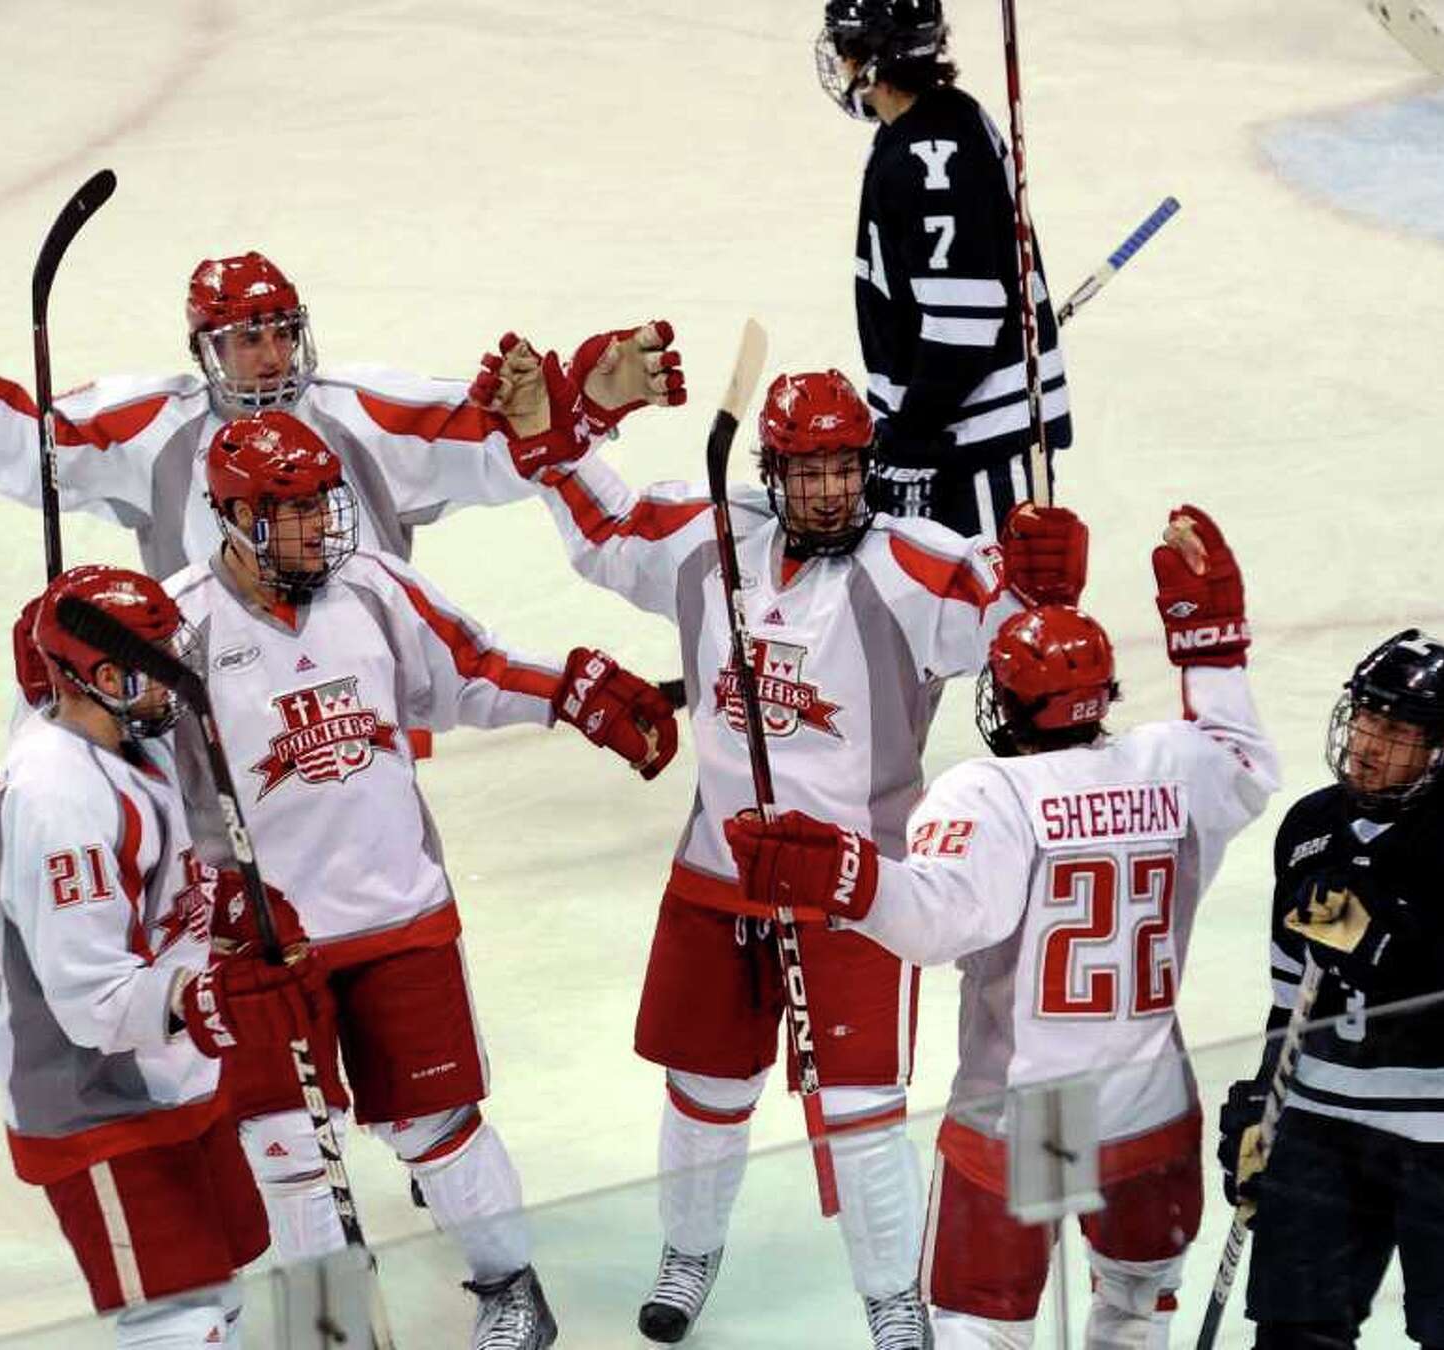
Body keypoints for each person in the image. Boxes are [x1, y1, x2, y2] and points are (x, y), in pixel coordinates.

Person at [479, 351, 1078, 1347]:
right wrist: (559, 445)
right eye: (808, 471)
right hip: (720, 874)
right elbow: (607, 534)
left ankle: (893, 1298)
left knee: (863, 1108)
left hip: (859, 887)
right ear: (773, 471)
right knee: (705, 1087)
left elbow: (1018, 640)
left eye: (845, 467)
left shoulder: (918, 562)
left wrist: (1043, 589)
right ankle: (690, 1249)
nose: (830, 489)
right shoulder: (711, 538)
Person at [164, 408, 679, 1350]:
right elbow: (142, 791)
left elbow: (469, 671)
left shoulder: (371, 587)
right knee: (287, 1149)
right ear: (239, 520)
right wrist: (199, 907)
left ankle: (510, 1289)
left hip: (397, 913)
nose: (324, 524)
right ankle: (329, 1324)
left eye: (326, 502)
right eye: (297, 511)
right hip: (264, 950)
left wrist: (568, 690)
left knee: (439, 1124)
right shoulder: (180, 628)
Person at [727, 506, 1279, 1349]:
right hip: (1148, 1107)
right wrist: (1211, 649)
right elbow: (1244, 760)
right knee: (1134, 1312)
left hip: (1036, 1117)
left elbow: (938, 922)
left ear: (1013, 705)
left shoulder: (993, 793)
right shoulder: (1174, 767)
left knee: (980, 1325)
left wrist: (843, 876)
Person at [0, 253, 681, 578]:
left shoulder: (362, 409)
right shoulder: (154, 424)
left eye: (282, 332)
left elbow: (506, 450)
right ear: (207, 347)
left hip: (356, 687)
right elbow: (34, 454)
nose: (272, 354)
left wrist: (583, 404)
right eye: (247, 339)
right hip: (212, 700)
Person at [0, 564, 326, 1349]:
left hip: (172, 1079)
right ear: (101, 677)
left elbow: (165, 880)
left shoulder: (132, 737)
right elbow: (90, 1001)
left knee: (222, 1302)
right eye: (158, 660)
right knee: (178, 1327)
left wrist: (233, 908)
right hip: (97, 1101)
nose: (177, 675)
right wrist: (209, 1000)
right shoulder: (56, 799)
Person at [1219, 630, 1444, 1350]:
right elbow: (1291, 997)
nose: (1370, 743)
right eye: (1367, 718)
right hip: (1325, 1134)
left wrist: (1384, 946)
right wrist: (1262, 1106)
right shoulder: (1311, 829)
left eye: (1398, 729)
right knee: (1292, 1339)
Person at [816, 0, 1071, 535]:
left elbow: (964, 327)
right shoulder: (935, 122)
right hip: (958, 439)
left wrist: (912, 431)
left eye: (846, 45)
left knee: (994, 615)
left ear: (876, 57)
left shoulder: (931, 156)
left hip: (977, 452)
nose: (839, 59)